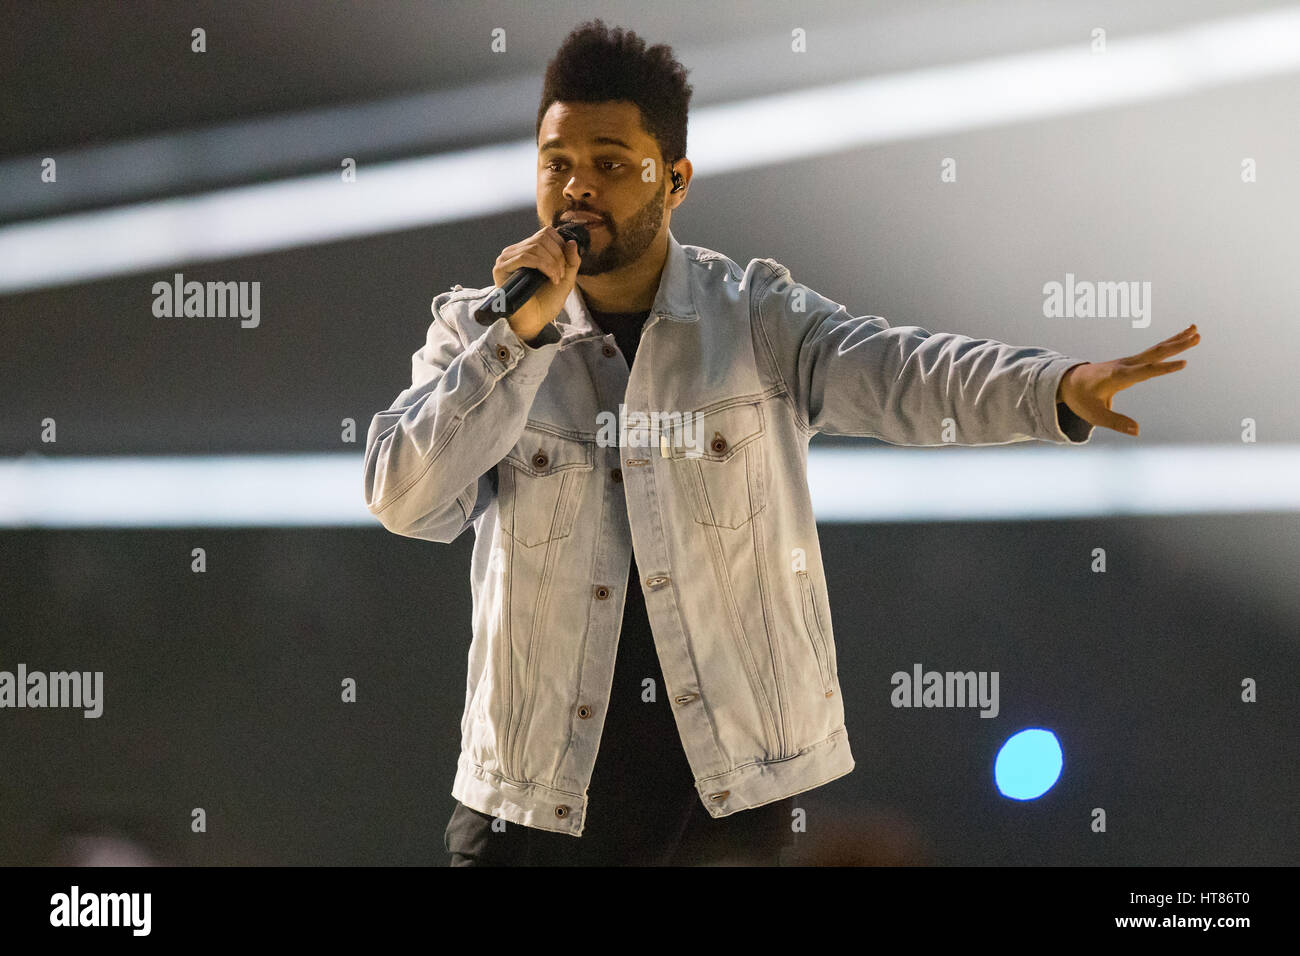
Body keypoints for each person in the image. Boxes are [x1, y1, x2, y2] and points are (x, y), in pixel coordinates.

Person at [362, 19, 1200, 867]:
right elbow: (404, 499)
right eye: (557, 163)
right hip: (532, 803)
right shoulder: (476, 330)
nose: (577, 188)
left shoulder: (754, 317)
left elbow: (903, 373)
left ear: (675, 179)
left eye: (611, 163)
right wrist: (518, 339)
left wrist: (1054, 388)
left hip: (722, 796)